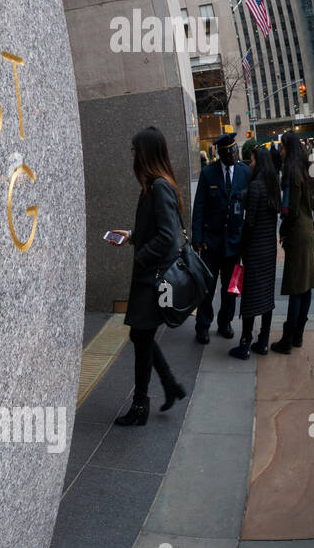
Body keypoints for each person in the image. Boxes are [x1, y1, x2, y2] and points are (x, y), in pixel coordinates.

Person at [107, 126, 188, 426]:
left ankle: (142, 404)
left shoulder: (159, 188)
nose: (132, 156)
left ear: (146, 154)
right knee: (141, 337)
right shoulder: (152, 186)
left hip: (152, 281)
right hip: (149, 279)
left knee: (140, 337)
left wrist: (141, 254)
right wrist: (130, 236)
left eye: (134, 150)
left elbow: (169, 237)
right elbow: (156, 230)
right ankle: (169, 386)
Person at [191, 132, 251, 344]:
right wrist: (197, 237)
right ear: (221, 155)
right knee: (207, 287)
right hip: (211, 243)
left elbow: (250, 207)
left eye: (235, 150)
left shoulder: (245, 172)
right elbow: (199, 207)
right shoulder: (209, 173)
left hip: (234, 244)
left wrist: (247, 239)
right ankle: (203, 325)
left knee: (231, 288)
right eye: (230, 153)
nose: (234, 155)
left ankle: (225, 322)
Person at [229, 146, 279, 359]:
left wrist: (242, 246)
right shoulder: (273, 186)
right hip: (270, 250)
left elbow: (249, 223)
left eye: (252, 161)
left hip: (255, 250)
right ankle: (264, 341)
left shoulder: (257, 186)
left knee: (249, 295)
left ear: (259, 163)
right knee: (267, 294)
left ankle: (245, 342)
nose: (250, 165)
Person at [272, 131, 314, 354]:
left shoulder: (290, 171)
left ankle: (288, 340)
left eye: (281, 148)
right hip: (308, 230)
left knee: (295, 288)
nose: (280, 151)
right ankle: (298, 336)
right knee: (306, 286)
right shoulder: (309, 165)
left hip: (297, 234)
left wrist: (283, 229)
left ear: (287, 149)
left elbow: (287, 210)